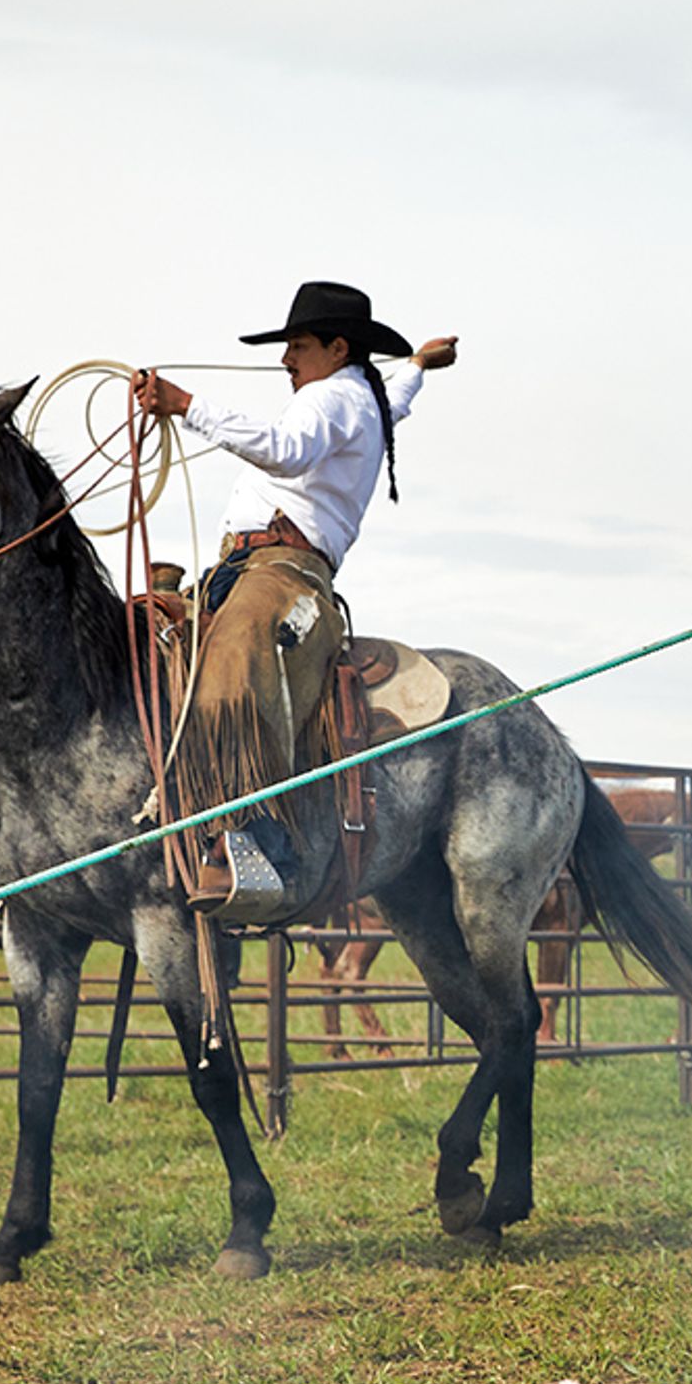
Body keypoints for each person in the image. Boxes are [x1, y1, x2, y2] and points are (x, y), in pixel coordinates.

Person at [131, 282, 456, 915]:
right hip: (242, 564)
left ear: (338, 349)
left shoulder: (333, 397)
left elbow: (287, 451)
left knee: (234, 658)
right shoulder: (365, 395)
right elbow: (398, 400)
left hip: (287, 569)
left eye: (298, 346)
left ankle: (260, 839)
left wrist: (184, 404)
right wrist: (417, 364)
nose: (286, 360)